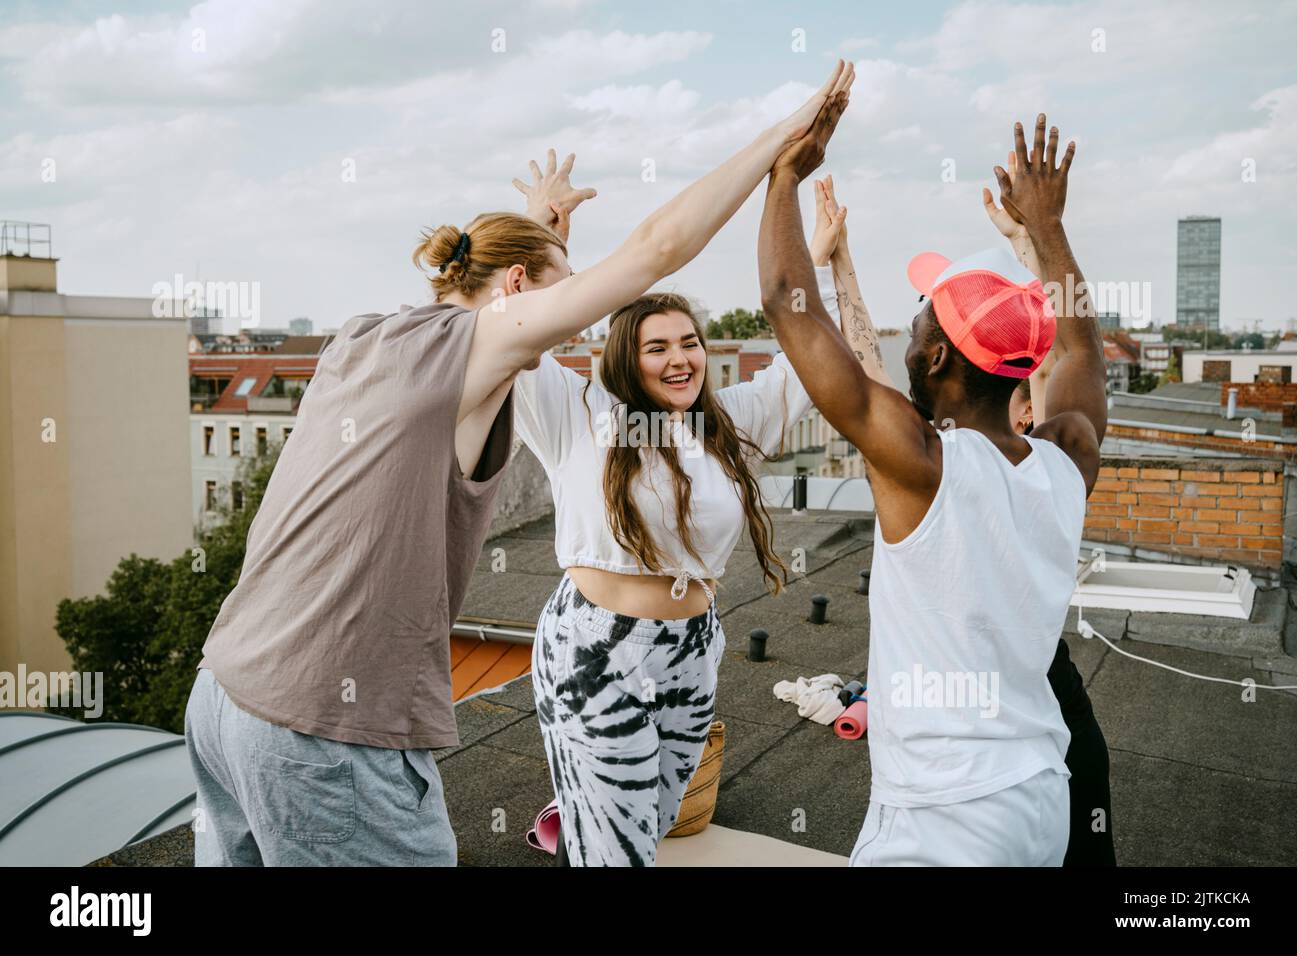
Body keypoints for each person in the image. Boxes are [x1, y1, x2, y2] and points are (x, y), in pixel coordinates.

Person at [184, 59, 854, 867]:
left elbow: (506, 318)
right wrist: (780, 140)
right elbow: (655, 250)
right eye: (557, 292)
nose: (567, 326)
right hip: (322, 725)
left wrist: (538, 233)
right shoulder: (495, 361)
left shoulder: (364, 338)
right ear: (512, 288)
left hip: (225, 694)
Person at [515, 67, 856, 868]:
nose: (679, 360)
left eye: (690, 343)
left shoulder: (731, 423)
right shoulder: (579, 415)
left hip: (692, 647)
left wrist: (819, 261)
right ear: (625, 360)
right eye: (656, 347)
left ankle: (585, 825)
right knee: (619, 854)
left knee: (656, 825)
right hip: (595, 649)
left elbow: (811, 362)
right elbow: (518, 326)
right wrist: (542, 233)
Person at [759, 103, 1106, 866]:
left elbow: (790, 301)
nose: (908, 337)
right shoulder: (1067, 456)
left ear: (941, 359)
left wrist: (784, 170)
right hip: (1042, 796)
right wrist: (1048, 227)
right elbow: (1082, 348)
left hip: (945, 817)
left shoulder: (921, 466)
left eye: (919, 326)